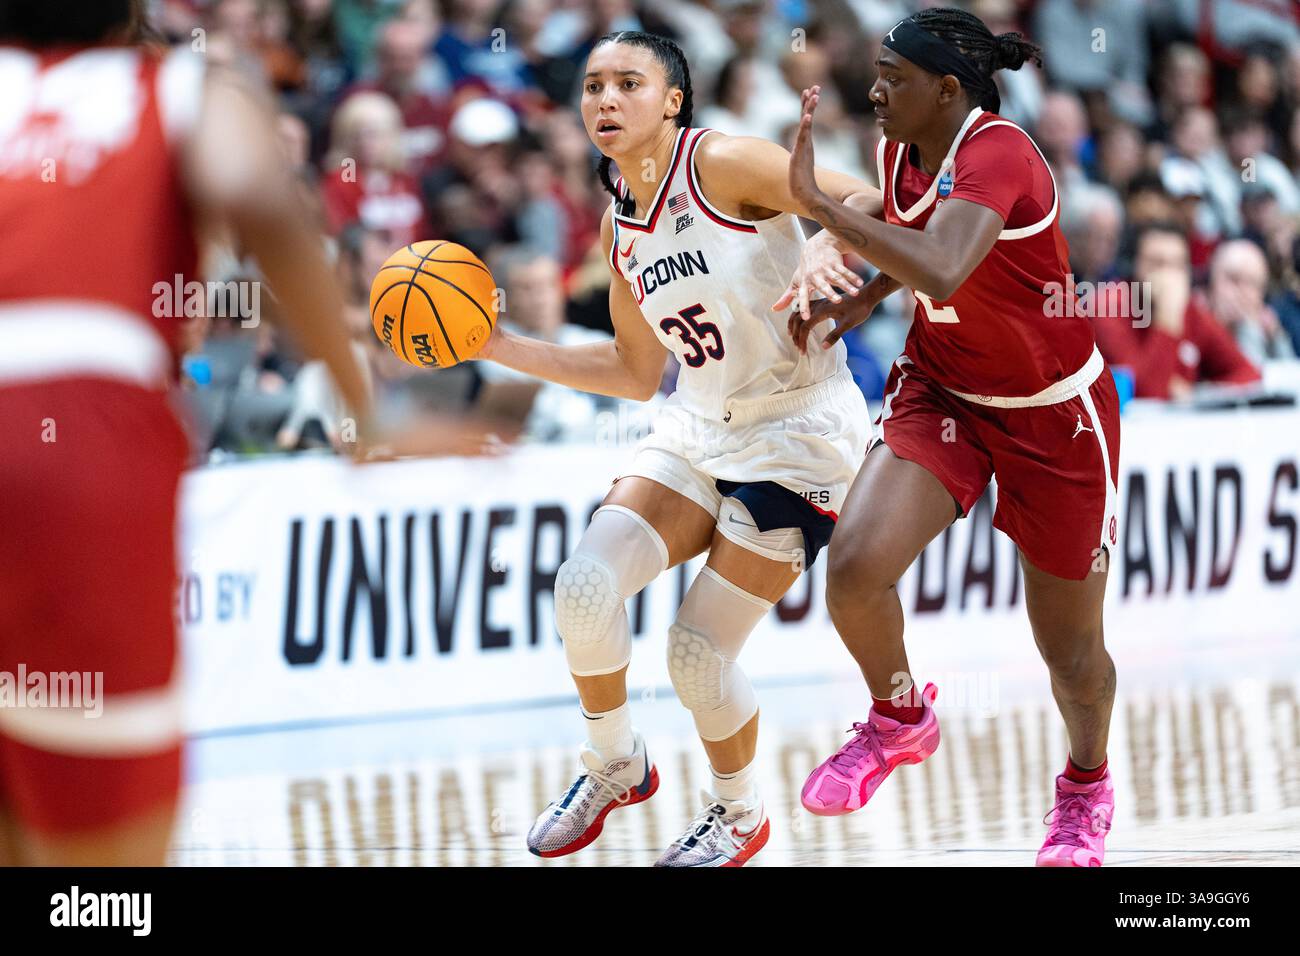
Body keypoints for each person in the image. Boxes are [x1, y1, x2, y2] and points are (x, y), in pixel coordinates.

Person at [474, 30, 879, 866]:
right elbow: (633, 373)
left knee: (696, 654)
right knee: (584, 586)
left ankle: (739, 813)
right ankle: (615, 763)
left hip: (798, 431)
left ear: (673, 101)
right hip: (698, 420)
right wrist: (498, 344)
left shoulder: (722, 162)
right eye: (593, 85)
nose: (606, 99)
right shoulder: (619, 223)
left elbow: (867, 198)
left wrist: (824, 239)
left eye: (629, 83)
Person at [782, 7, 1121, 866]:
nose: (874, 91)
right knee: (855, 569)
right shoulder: (900, 149)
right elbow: (914, 247)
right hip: (945, 389)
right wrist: (866, 295)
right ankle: (899, 716)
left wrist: (818, 207)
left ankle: (1085, 788)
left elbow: (941, 263)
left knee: (1070, 652)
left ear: (945, 89)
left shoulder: (1000, 150)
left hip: (1052, 412)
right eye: (875, 74)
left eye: (892, 79)